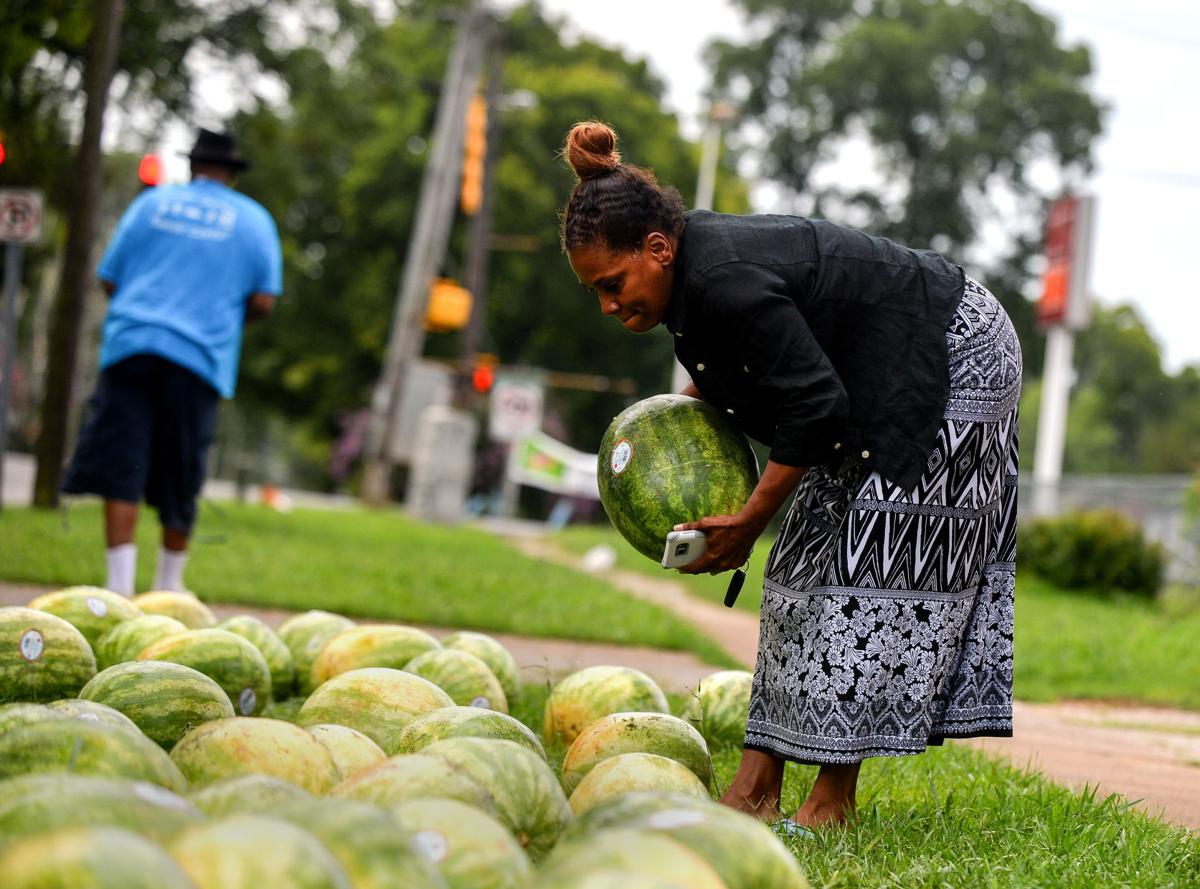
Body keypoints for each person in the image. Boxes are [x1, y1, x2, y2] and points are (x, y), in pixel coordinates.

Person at [561, 121, 1021, 831]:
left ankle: (831, 802)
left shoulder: (722, 281)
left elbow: (813, 403)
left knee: (871, 574)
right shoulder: (693, 286)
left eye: (612, 283)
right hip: (865, 378)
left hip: (951, 352)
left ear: (658, 249)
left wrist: (748, 521)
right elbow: (747, 381)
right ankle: (754, 789)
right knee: (796, 573)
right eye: (596, 291)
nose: (608, 303)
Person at [62, 128, 282, 596]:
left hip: (133, 346)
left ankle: (118, 587)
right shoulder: (254, 220)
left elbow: (110, 277)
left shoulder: (151, 204)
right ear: (231, 174)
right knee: (181, 467)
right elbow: (263, 300)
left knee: (124, 460)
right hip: (200, 356)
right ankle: (168, 589)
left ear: (192, 167)